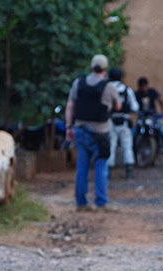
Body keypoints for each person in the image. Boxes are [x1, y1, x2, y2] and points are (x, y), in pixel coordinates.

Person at [65, 54, 121, 211]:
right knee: (100, 167)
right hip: (100, 133)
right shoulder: (109, 86)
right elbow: (118, 106)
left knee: (81, 167)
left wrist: (69, 127)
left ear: (91, 67)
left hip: (80, 130)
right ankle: (101, 202)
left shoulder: (78, 83)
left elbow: (70, 105)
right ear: (105, 69)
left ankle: (81, 203)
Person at [106, 67, 138, 178]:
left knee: (111, 145)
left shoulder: (107, 89)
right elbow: (135, 106)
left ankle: (108, 170)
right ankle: (128, 169)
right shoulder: (126, 90)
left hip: (110, 121)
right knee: (127, 145)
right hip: (124, 121)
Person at [134, 77, 163, 163]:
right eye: (142, 87)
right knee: (133, 135)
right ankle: (133, 156)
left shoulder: (152, 92)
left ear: (147, 86)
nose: (144, 88)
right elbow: (133, 105)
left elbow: (160, 100)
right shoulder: (136, 94)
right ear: (139, 87)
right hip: (142, 118)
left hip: (153, 117)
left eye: (145, 86)